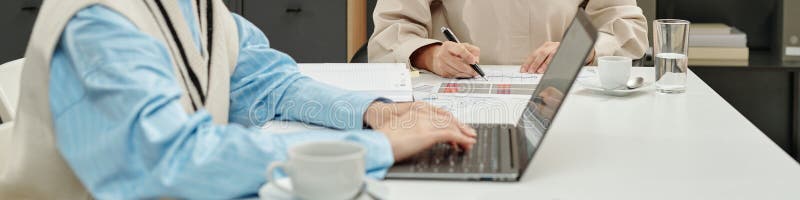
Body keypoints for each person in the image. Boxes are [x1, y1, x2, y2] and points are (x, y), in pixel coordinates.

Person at [0, 0, 476, 199]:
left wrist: (376, 113)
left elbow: (269, 83)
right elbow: (172, 162)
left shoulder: (198, 8)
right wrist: (377, 147)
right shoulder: (99, 21)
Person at [368, 0, 648, 78]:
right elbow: (393, 28)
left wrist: (581, 50)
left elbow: (627, 26)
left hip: (560, 99)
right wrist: (431, 55)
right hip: (457, 96)